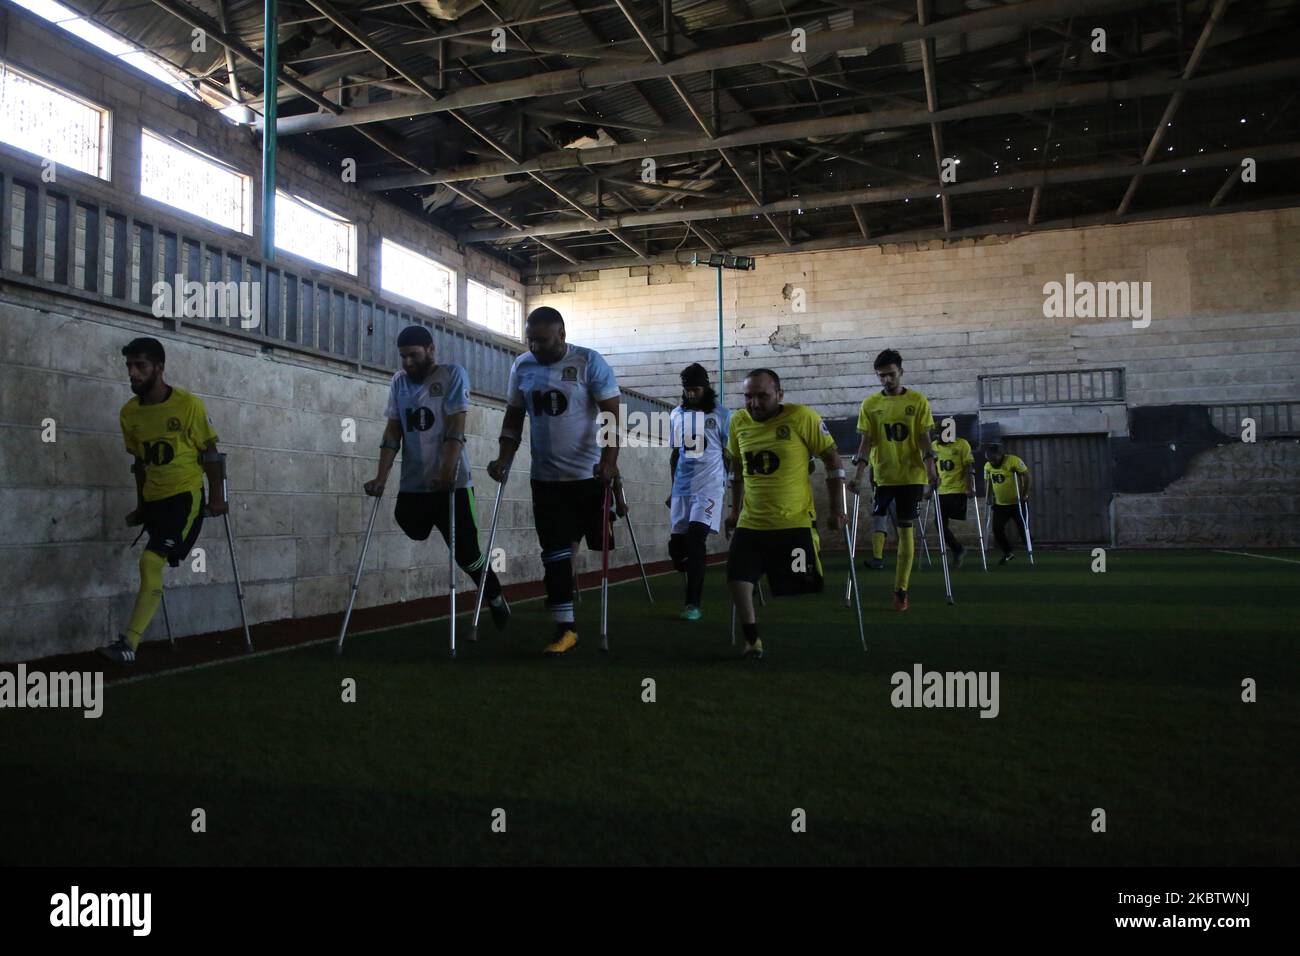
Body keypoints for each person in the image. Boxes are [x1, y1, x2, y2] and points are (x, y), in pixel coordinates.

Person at [487, 307, 622, 656]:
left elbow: (611, 415)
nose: (535, 346)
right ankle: (567, 629)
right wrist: (504, 458)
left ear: (561, 334)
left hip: (588, 475)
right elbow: (514, 416)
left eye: (542, 340)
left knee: (597, 542)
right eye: (530, 339)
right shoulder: (523, 366)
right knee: (555, 553)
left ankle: (564, 596)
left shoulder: (589, 362)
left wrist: (609, 462)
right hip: (545, 479)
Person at [364, 326, 510, 629]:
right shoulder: (399, 382)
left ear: (431, 350)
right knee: (409, 522)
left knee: (467, 556)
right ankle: (439, 525)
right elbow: (393, 430)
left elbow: (456, 428)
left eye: (413, 356)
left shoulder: (452, 374)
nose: (407, 363)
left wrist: (446, 474)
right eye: (403, 357)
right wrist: (380, 477)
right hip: (414, 485)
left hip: (453, 484)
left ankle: (494, 595)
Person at [99, 338, 224, 665]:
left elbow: (211, 453)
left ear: (159, 367)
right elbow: (140, 464)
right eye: (129, 366)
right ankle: (131, 643)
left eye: (140, 366)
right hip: (155, 499)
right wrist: (141, 505)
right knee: (152, 564)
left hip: (184, 497)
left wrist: (217, 498)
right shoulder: (129, 413)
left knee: (150, 562)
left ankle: (129, 644)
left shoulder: (188, 405)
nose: (133, 373)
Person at [724, 369, 846, 659]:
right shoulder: (738, 422)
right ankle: (752, 640)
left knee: (800, 583)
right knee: (737, 577)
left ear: (779, 395)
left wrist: (837, 508)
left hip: (793, 522)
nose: (754, 403)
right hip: (751, 521)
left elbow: (832, 458)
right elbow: (738, 470)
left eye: (762, 396)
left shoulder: (802, 418)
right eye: (748, 396)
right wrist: (734, 510)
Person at [849, 349, 938, 611]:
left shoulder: (918, 401)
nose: (886, 380)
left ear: (901, 371)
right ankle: (879, 560)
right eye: (881, 376)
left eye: (890, 374)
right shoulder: (869, 405)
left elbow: (924, 439)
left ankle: (901, 590)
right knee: (881, 523)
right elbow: (865, 444)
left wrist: (932, 470)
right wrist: (858, 475)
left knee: (905, 529)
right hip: (884, 476)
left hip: (911, 475)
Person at [666, 363, 730, 621]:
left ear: (705, 388)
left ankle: (692, 603)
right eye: (687, 390)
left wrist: (734, 489)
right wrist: (673, 489)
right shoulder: (676, 415)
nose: (691, 394)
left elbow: (731, 454)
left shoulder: (722, 414)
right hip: (683, 487)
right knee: (677, 547)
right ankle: (687, 564)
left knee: (696, 540)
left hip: (710, 487)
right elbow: (674, 454)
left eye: (695, 389)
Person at [931, 424, 976, 568]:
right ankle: (958, 549)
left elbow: (968, 466)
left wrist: (969, 487)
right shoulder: (934, 446)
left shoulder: (962, 444)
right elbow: (934, 469)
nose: (939, 438)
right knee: (939, 524)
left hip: (958, 490)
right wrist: (930, 488)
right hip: (941, 490)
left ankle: (958, 550)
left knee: (948, 520)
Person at [983, 443, 1031, 565]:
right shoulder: (987, 466)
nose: (992, 463)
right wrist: (988, 497)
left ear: (999, 455)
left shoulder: (1013, 460)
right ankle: (1008, 553)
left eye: (994, 460)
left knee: (1023, 529)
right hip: (1000, 505)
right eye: (990, 460)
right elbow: (988, 482)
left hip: (1016, 503)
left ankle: (1029, 547)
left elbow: (1026, 476)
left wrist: (1024, 494)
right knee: (997, 529)